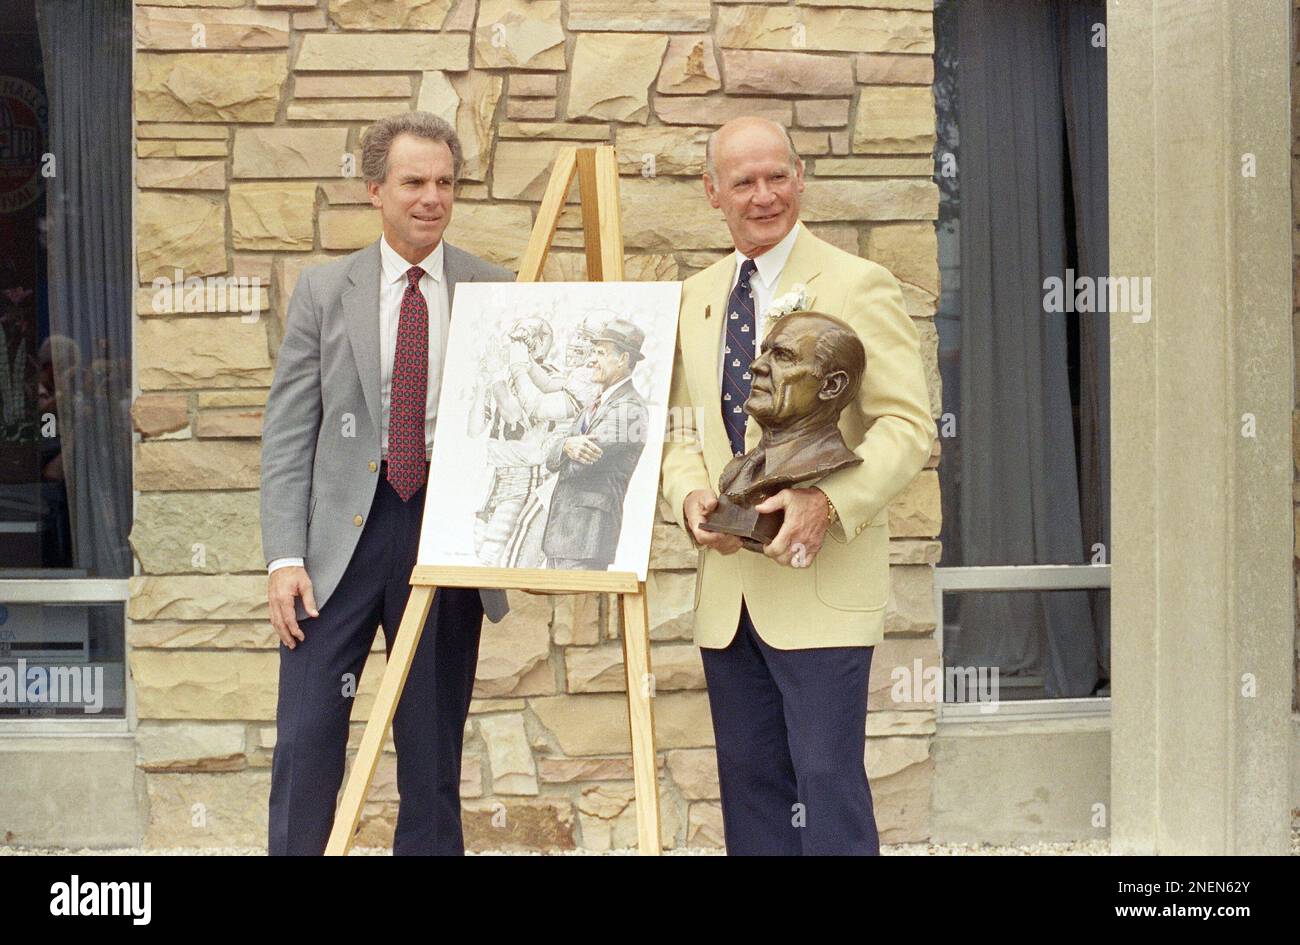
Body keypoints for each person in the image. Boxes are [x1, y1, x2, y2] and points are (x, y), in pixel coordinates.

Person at [660, 116, 936, 855]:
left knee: (827, 789)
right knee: (751, 796)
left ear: (801, 177)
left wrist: (827, 502)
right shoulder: (694, 296)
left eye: (776, 175)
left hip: (820, 586)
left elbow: (909, 427)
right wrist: (689, 502)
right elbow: (684, 433)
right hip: (729, 599)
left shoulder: (859, 284)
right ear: (711, 191)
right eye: (743, 181)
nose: (763, 194)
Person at [260, 111, 511, 856]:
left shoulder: (494, 289)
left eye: (445, 182)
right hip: (337, 546)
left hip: (442, 534)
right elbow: (287, 433)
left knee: (432, 752)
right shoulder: (322, 290)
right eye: (413, 182)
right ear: (375, 189)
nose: (431, 197)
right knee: (307, 743)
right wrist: (283, 557)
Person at [542, 319, 649, 570]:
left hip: (586, 540)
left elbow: (580, 467)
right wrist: (567, 445)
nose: (592, 360)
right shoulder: (599, 402)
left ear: (623, 359)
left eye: (600, 353)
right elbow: (551, 456)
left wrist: (564, 449)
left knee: (581, 610)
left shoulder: (629, 410)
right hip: (564, 538)